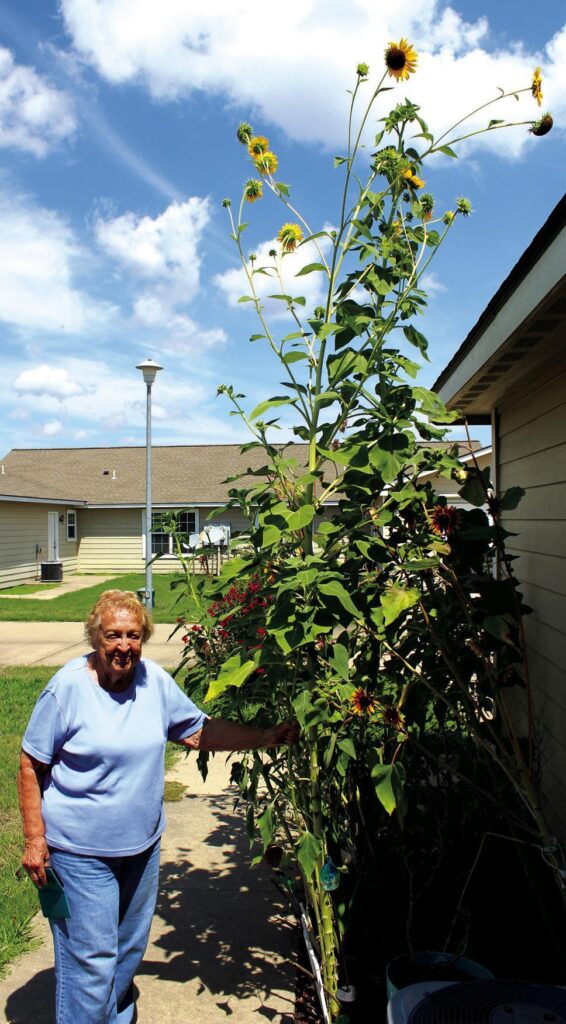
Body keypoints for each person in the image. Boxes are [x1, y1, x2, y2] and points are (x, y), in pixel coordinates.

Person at [18, 589, 299, 1024]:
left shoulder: (154, 682)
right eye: (113, 635)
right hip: (80, 853)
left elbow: (198, 731)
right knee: (91, 962)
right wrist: (35, 840)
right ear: (95, 637)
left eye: (133, 635)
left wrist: (264, 736)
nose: (124, 646)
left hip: (141, 849)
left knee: (127, 953)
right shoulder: (67, 689)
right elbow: (31, 762)